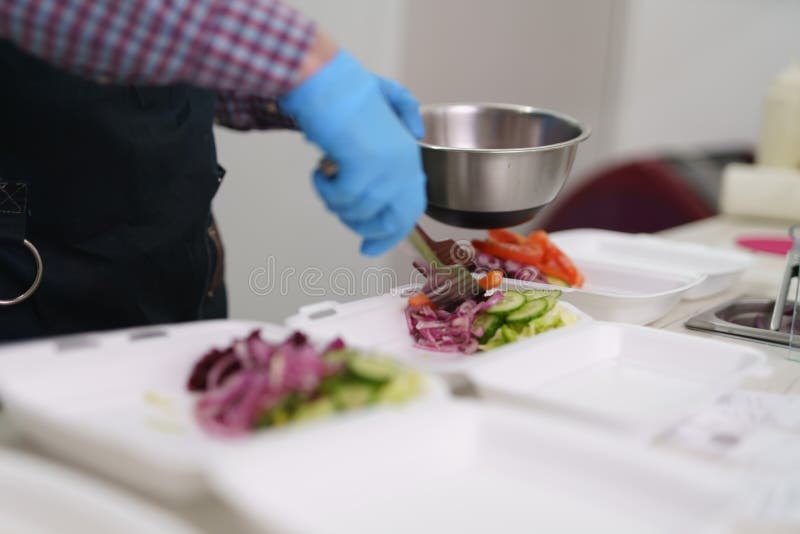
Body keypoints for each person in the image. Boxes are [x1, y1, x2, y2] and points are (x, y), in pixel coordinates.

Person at [0, 0, 427, 341]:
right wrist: (311, 71)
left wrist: (290, 98)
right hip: (28, 296)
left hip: (179, 277)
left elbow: (155, 51)